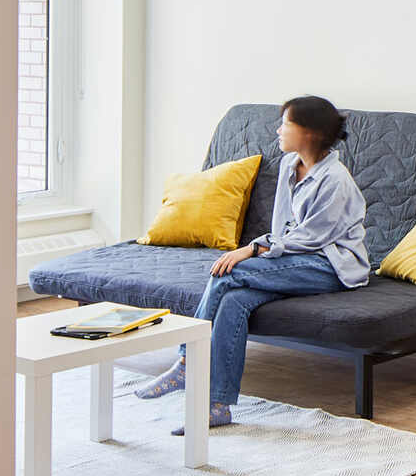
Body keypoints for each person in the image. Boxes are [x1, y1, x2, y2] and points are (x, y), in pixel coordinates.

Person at [136, 96, 369, 428]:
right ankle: (218, 405)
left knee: (228, 273)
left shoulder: (335, 180)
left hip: (329, 265)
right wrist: (268, 249)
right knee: (234, 302)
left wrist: (253, 249)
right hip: (294, 259)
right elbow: (282, 224)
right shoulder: (289, 165)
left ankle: (187, 362)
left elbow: (312, 237)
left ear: (309, 133)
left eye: (286, 124)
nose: (278, 130)